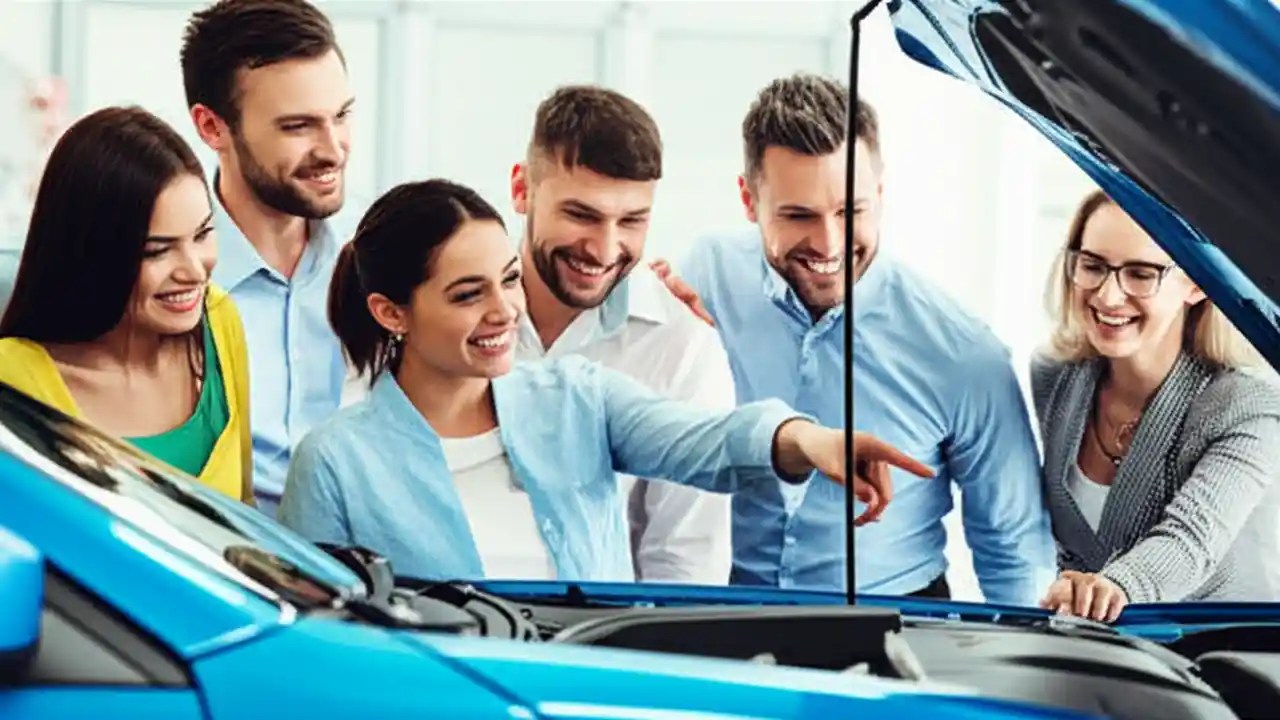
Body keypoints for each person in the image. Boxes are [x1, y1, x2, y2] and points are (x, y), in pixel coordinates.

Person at [277, 179, 932, 582]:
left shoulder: (577, 396)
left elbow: (706, 441)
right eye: (468, 294)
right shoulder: (335, 462)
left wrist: (811, 441)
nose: (505, 310)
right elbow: (312, 645)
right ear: (391, 312)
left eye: (509, 280)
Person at [659, 73, 1055, 604]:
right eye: (799, 215)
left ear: (881, 194)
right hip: (720, 607)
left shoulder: (964, 352)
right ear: (749, 200)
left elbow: (1014, 549)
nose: (829, 243)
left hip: (893, 618)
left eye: (851, 211)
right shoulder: (705, 275)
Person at [509, 85, 740, 584]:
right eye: (581, 215)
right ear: (522, 190)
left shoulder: (682, 347)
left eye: (632, 220)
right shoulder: (448, 312)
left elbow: (685, 563)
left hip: (600, 625)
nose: (604, 249)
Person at [1033, 189, 1280, 622]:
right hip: (1103, 644)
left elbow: (1190, 541)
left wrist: (1112, 589)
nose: (1108, 296)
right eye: (1093, 266)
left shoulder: (1250, 408)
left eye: (1141, 274)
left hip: (1222, 650)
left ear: (1198, 282)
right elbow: (1074, 547)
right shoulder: (1055, 377)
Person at [0, 105, 253, 503]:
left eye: (203, 234)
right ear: (90, 254)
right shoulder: (13, 377)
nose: (194, 270)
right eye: (157, 251)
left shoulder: (219, 320)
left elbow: (245, 514)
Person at [180, 0, 354, 517]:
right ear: (213, 128)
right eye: (298, 126)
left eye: (342, 116)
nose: (333, 149)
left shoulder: (381, 261)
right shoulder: (166, 283)